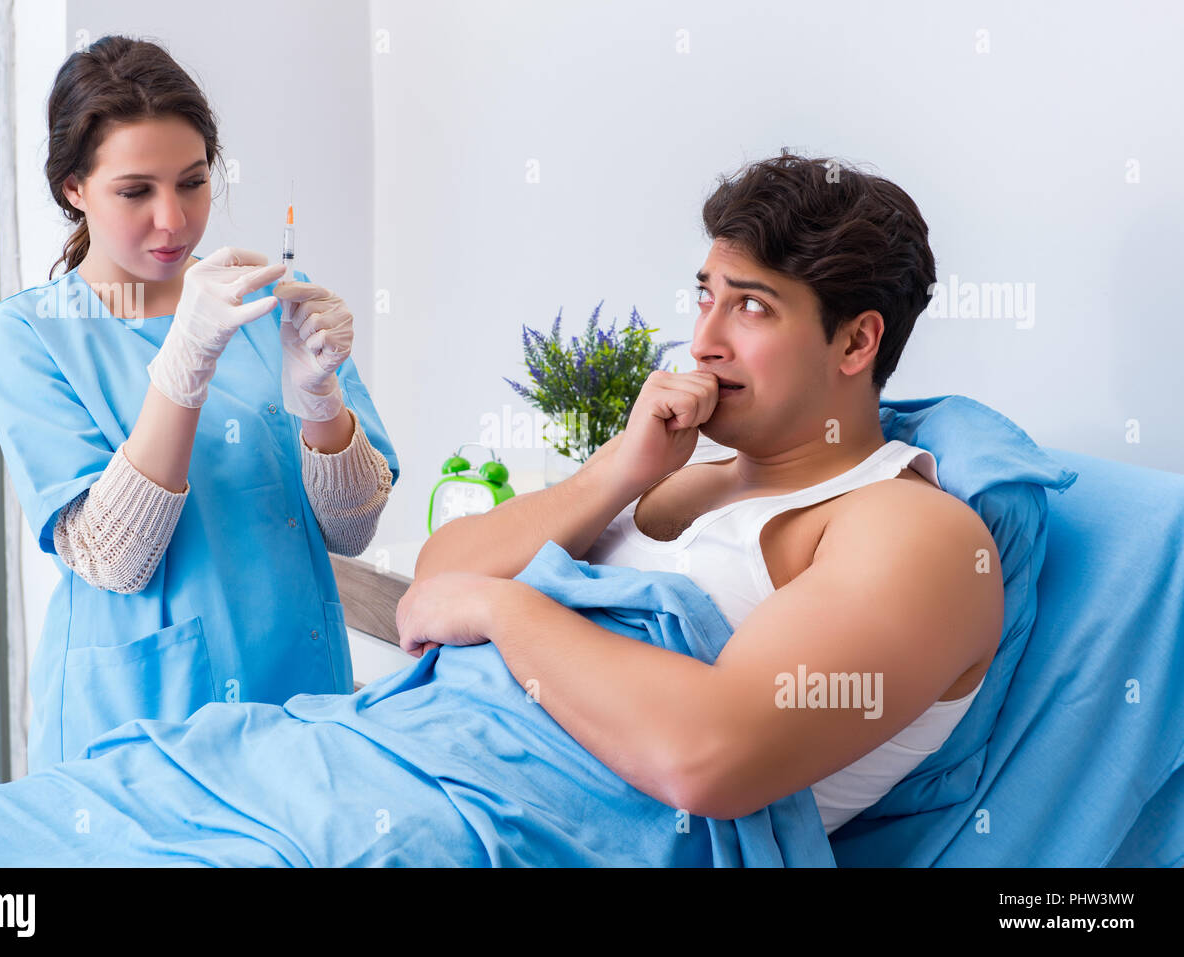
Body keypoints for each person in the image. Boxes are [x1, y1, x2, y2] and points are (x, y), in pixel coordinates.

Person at [411, 150, 1003, 833]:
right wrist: (617, 471)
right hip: (410, 757)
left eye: (751, 306)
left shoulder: (913, 531)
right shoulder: (665, 473)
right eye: (705, 297)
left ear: (856, 342)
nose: (702, 342)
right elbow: (433, 588)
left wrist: (502, 608)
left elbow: (710, 757)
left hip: (503, 827)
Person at [0, 35, 398, 772]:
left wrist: (320, 397)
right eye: (136, 191)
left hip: (301, 704)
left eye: (193, 182)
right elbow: (112, 556)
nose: (172, 220)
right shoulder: (27, 335)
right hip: (139, 721)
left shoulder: (271, 307)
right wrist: (183, 366)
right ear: (74, 187)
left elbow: (353, 526)